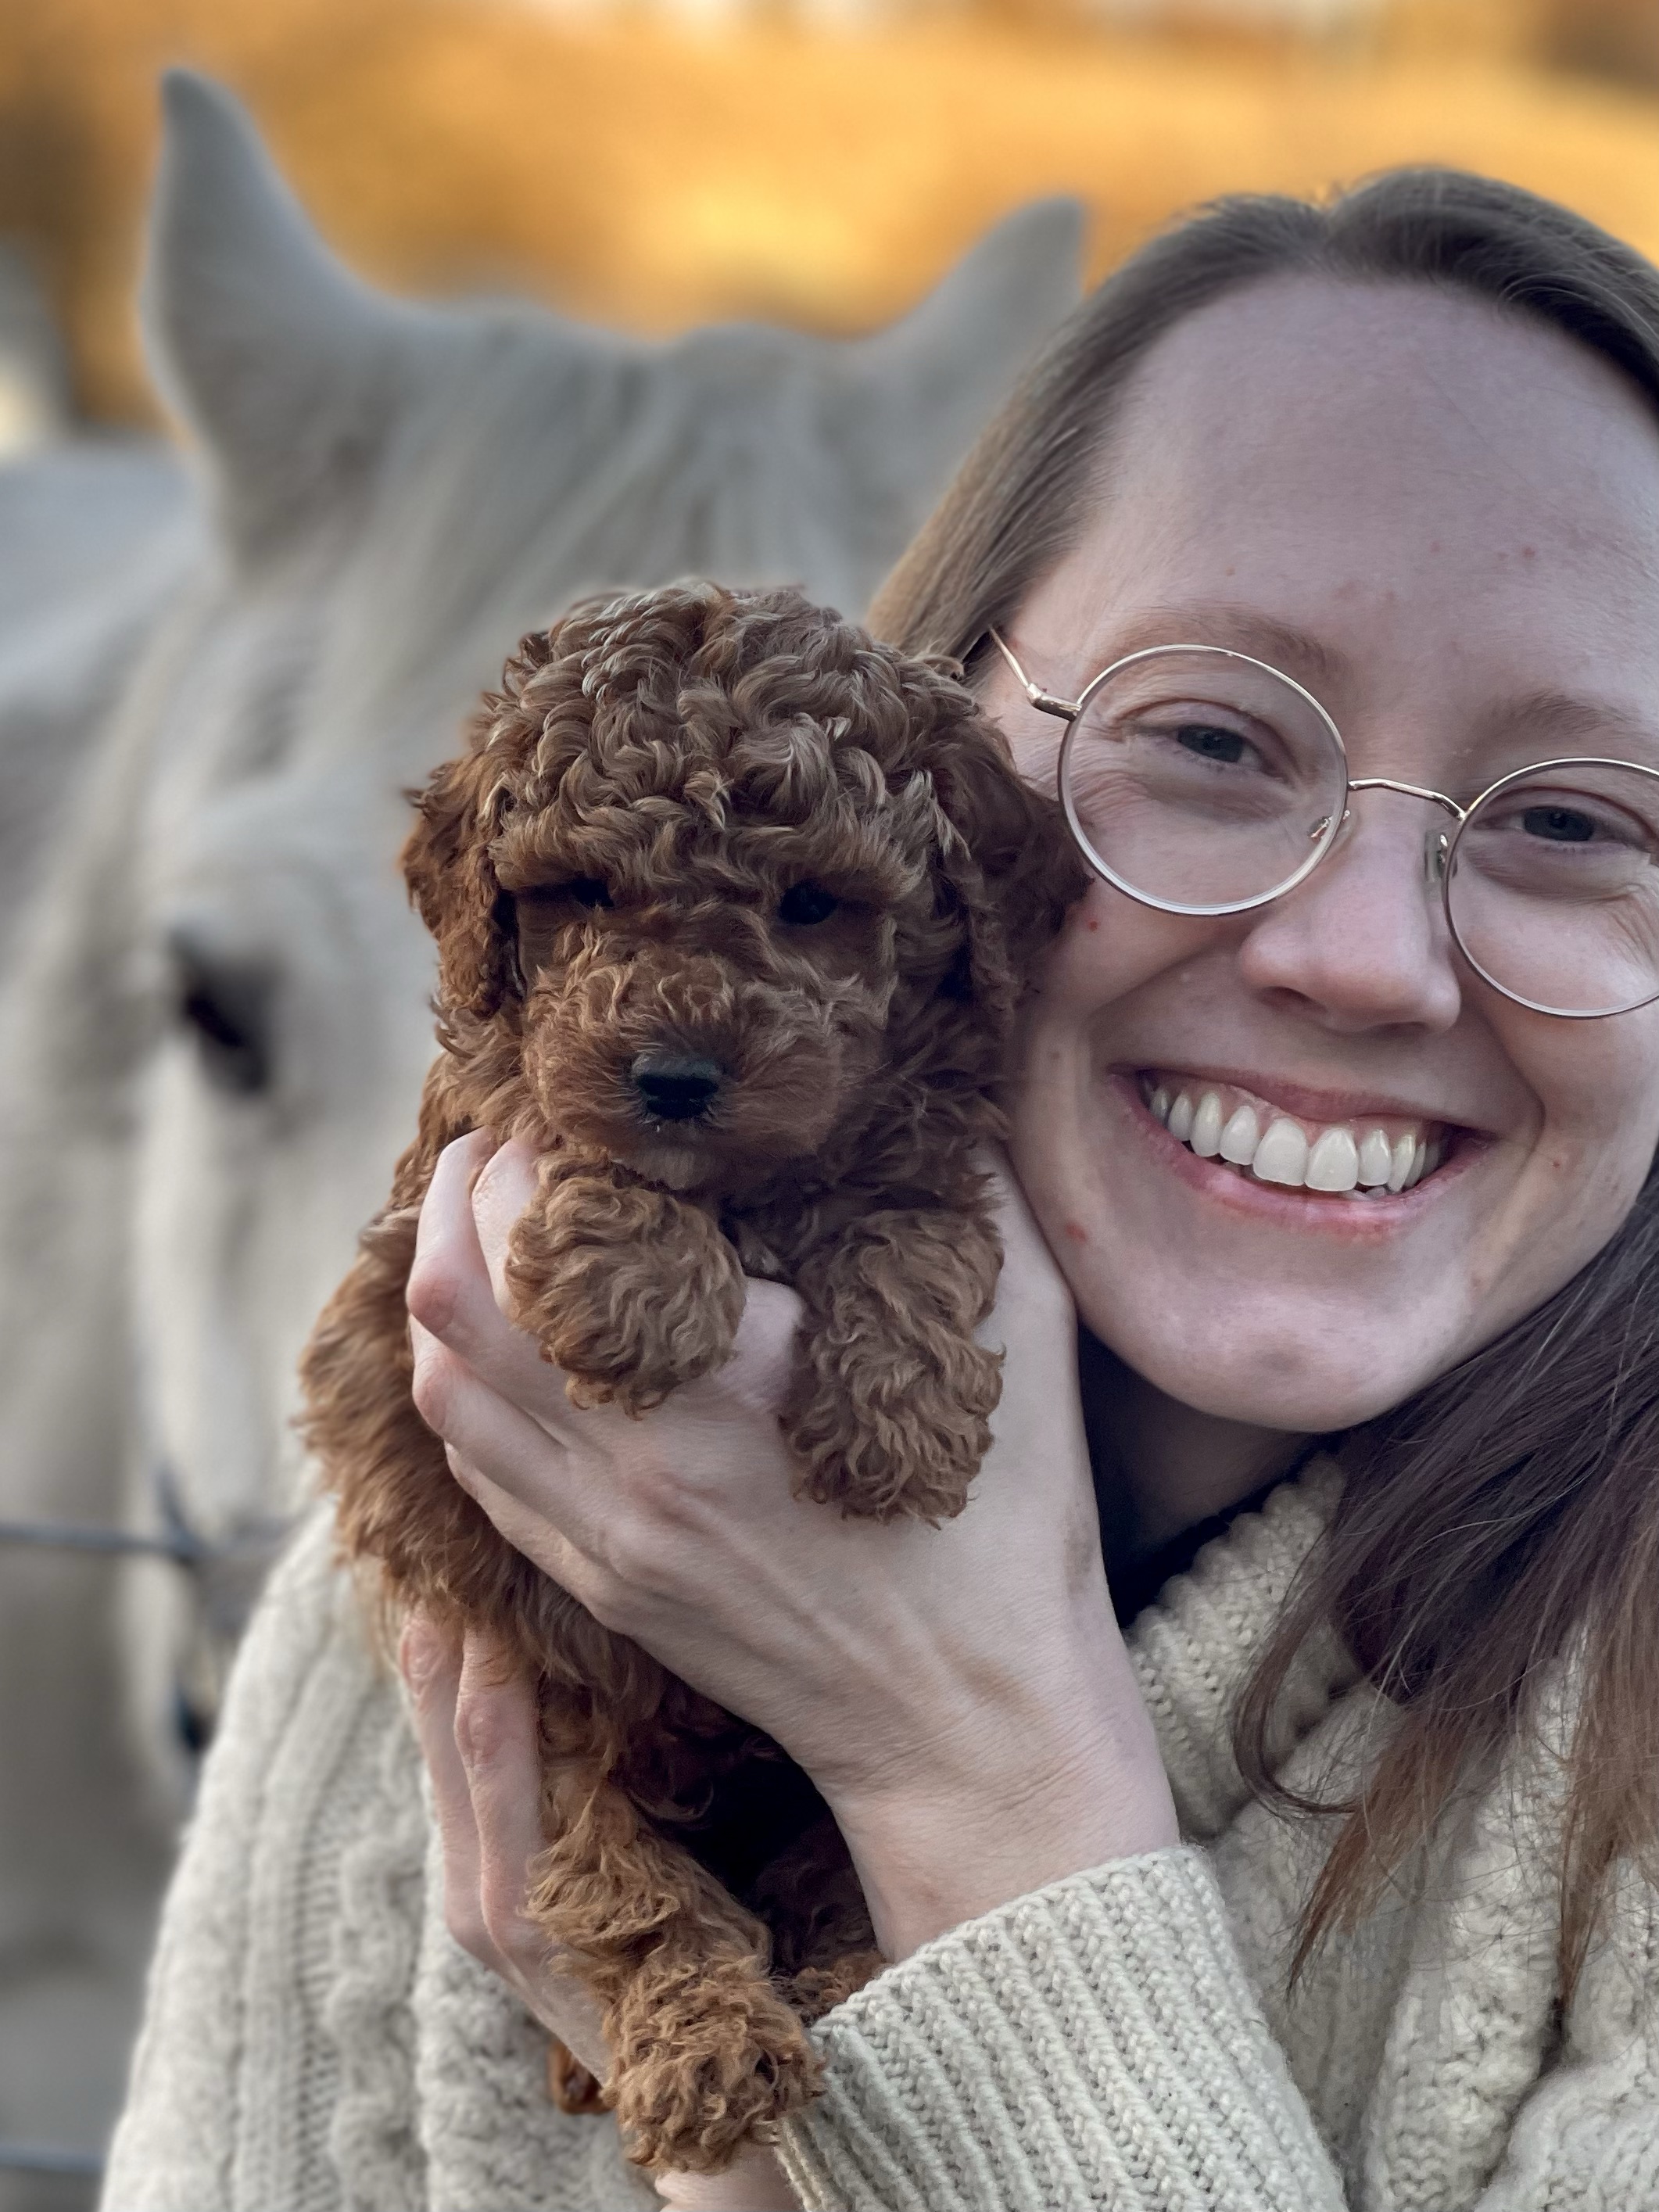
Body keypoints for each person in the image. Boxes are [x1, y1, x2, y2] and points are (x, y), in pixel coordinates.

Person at [104, 168, 1659, 2212]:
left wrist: (978, 1785)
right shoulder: (476, 1503)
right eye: (1205, 736)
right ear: (922, 756)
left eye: (1568, 816)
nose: (1362, 954)